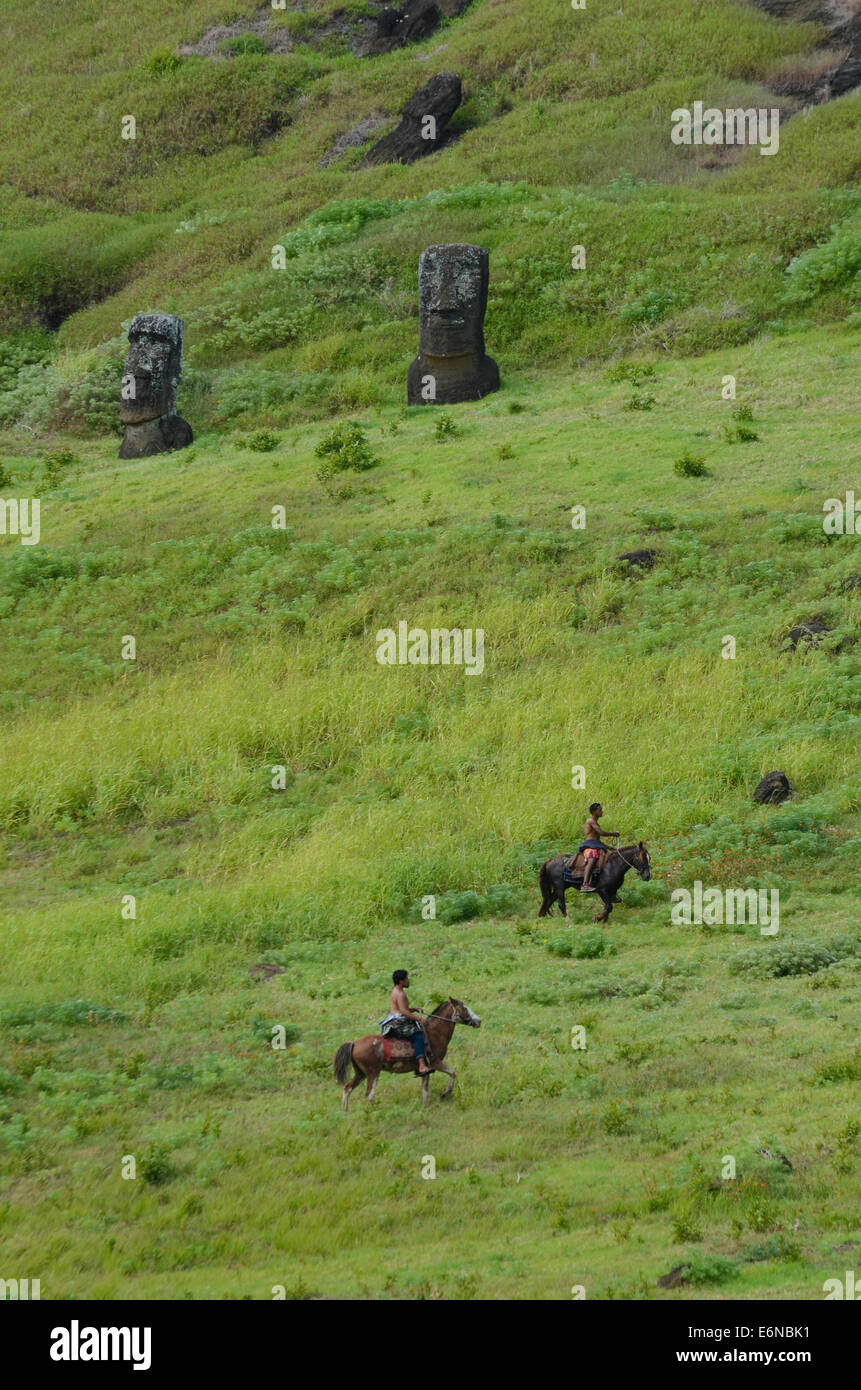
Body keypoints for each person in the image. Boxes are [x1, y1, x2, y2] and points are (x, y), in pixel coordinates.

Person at [379, 970, 432, 1076]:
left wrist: (414, 1009)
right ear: (401, 981)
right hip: (399, 1021)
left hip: (394, 1018)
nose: (408, 981)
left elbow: (400, 1008)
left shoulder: (395, 991)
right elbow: (404, 1012)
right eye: (406, 979)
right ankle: (421, 1065)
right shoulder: (401, 994)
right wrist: (420, 1019)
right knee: (417, 1035)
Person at [580, 802, 620, 893]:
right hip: (589, 845)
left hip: (594, 844)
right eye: (600, 810)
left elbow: (597, 841)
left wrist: (609, 847)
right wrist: (613, 834)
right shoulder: (590, 821)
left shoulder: (595, 823)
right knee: (592, 858)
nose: (602, 811)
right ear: (594, 812)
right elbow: (601, 833)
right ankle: (585, 884)